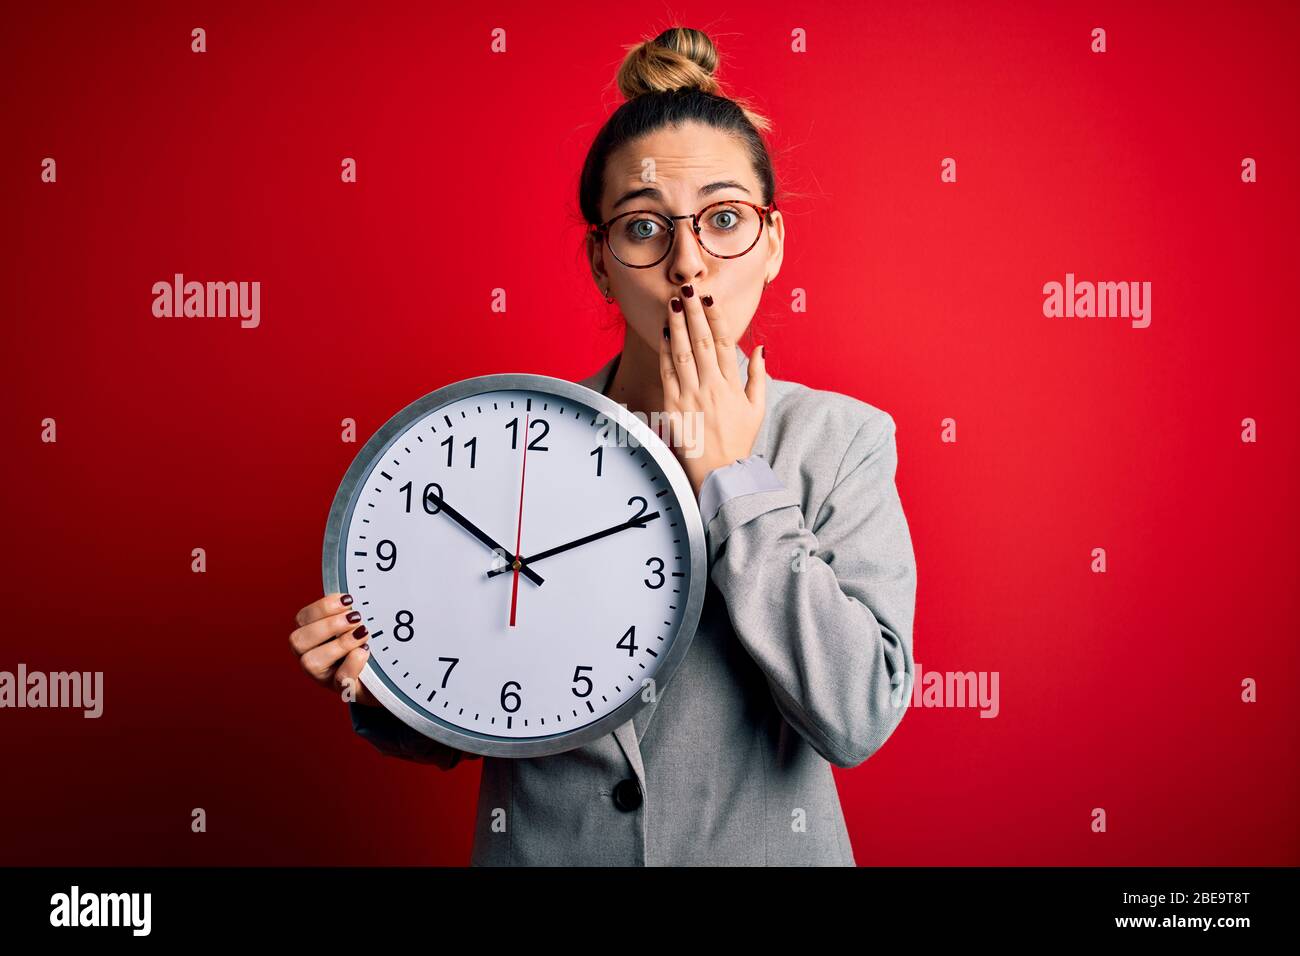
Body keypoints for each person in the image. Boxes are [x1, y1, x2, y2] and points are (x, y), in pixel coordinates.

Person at [290, 26, 917, 866]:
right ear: (600, 261)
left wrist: (738, 481)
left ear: (771, 244)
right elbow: (471, 712)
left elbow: (857, 714)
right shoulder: (510, 441)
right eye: (645, 229)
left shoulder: (841, 442)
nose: (688, 264)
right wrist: (377, 682)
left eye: (724, 220)